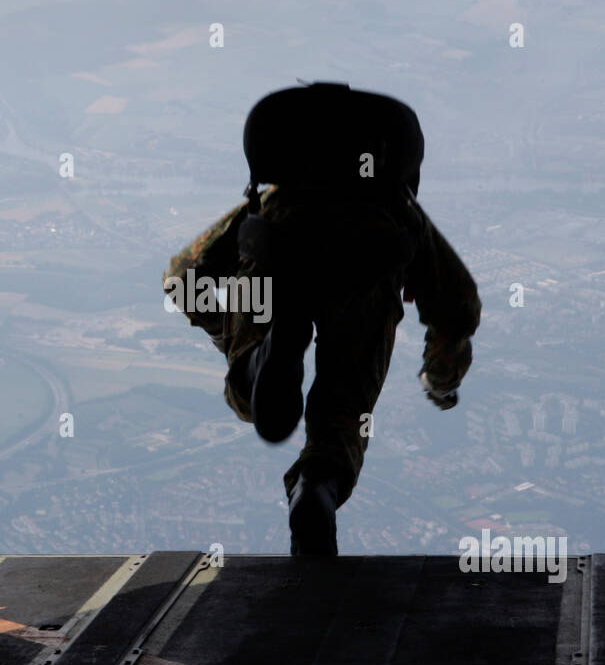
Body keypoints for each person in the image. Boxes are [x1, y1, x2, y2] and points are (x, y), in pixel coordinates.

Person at [163, 83, 480, 556]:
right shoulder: (397, 211)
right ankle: (315, 488)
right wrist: (440, 381)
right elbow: (457, 305)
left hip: (272, 251)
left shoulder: (270, 202)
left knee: (250, 396)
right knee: (342, 414)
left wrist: (229, 337)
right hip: (366, 265)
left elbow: (182, 277)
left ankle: (258, 363)